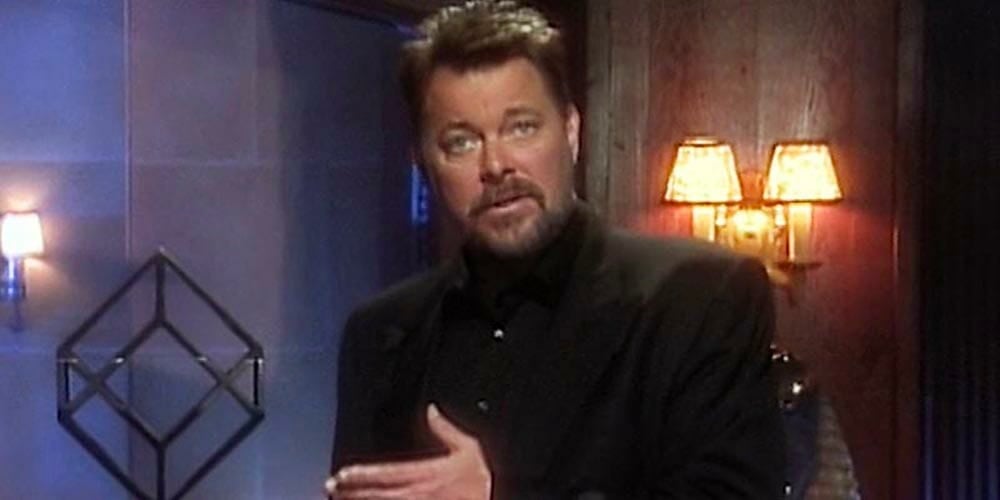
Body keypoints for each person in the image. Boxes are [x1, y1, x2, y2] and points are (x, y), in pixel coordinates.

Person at [326, 1, 785, 498]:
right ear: (423, 163)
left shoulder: (699, 298)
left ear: (571, 131)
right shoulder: (379, 335)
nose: (496, 165)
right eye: (461, 142)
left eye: (521, 127)